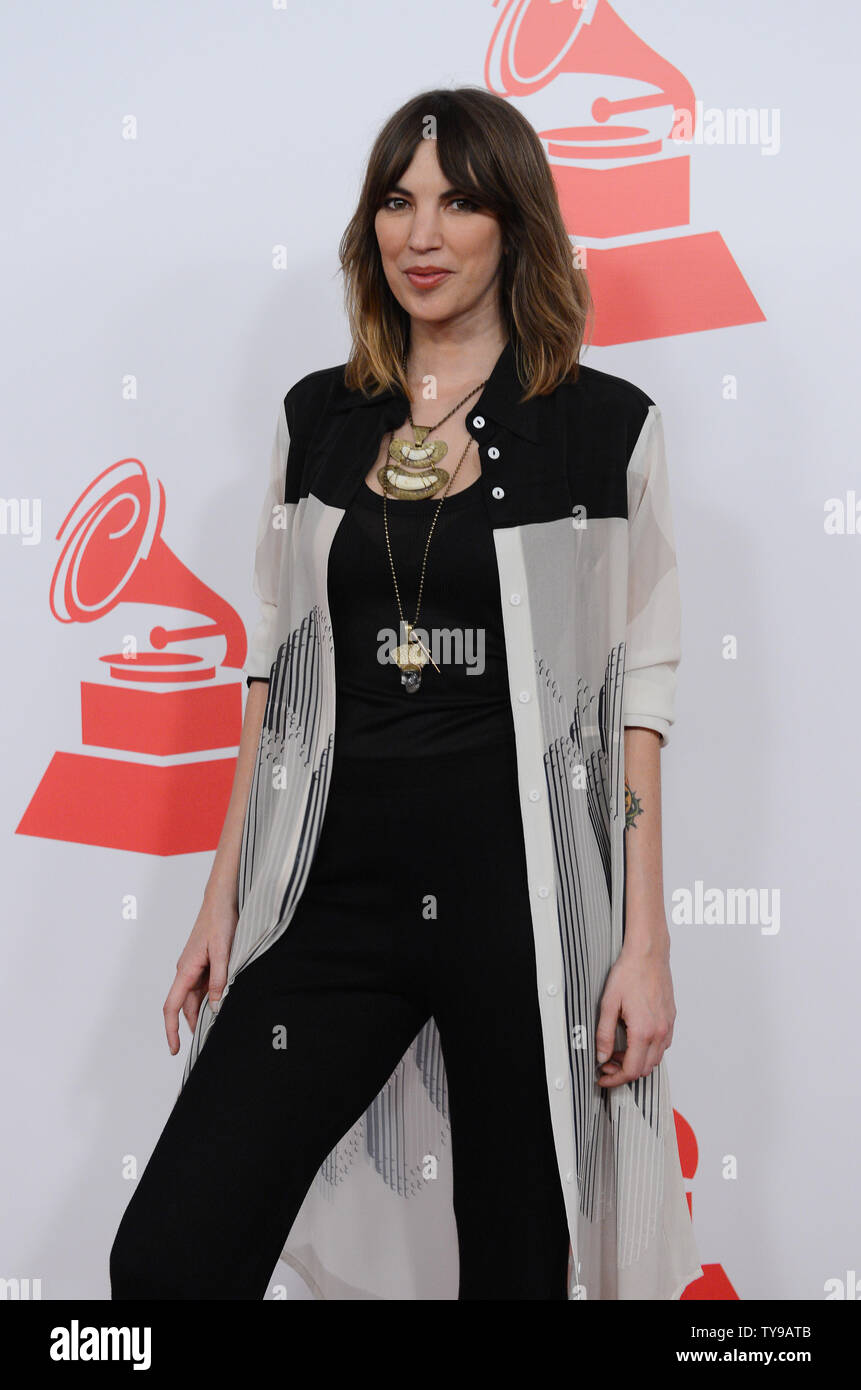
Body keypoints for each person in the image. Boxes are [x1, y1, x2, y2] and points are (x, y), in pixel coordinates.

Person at [110, 86, 702, 1301]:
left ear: (514, 223)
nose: (421, 234)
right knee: (168, 1258)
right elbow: (272, 669)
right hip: (337, 893)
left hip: (520, 907)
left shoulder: (600, 432)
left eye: (457, 201)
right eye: (397, 199)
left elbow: (638, 695)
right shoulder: (321, 419)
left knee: (519, 1269)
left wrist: (642, 941)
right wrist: (223, 896)